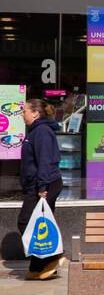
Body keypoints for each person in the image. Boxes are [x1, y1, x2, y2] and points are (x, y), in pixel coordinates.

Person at [17, 99, 63, 279]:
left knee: (26, 222)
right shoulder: (35, 131)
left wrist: (42, 187)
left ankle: (53, 258)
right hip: (38, 184)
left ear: (35, 113)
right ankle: (38, 267)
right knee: (40, 223)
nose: (22, 114)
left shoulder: (42, 132)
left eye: (25, 111)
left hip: (45, 184)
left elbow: (45, 160)